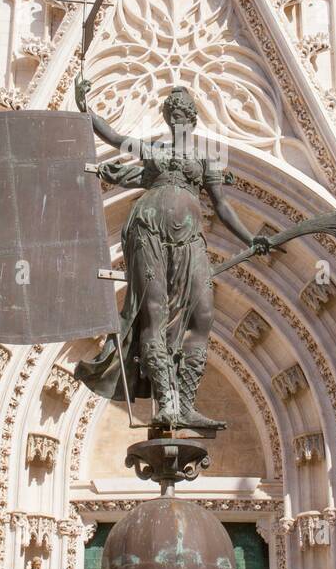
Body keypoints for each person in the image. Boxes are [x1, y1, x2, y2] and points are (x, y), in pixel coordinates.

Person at [74, 75, 269, 432]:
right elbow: (115, 138)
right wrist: (87, 109)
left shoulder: (207, 159)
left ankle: (187, 403)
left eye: (184, 113)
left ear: (193, 120)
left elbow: (222, 207)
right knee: (153, 312)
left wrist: (250, 238)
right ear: (167, 119)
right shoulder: (154, 152)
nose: (178, 118)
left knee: (203, 314)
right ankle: (167, 404)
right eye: (173, 113)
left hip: (190, 237)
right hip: (147, 228)